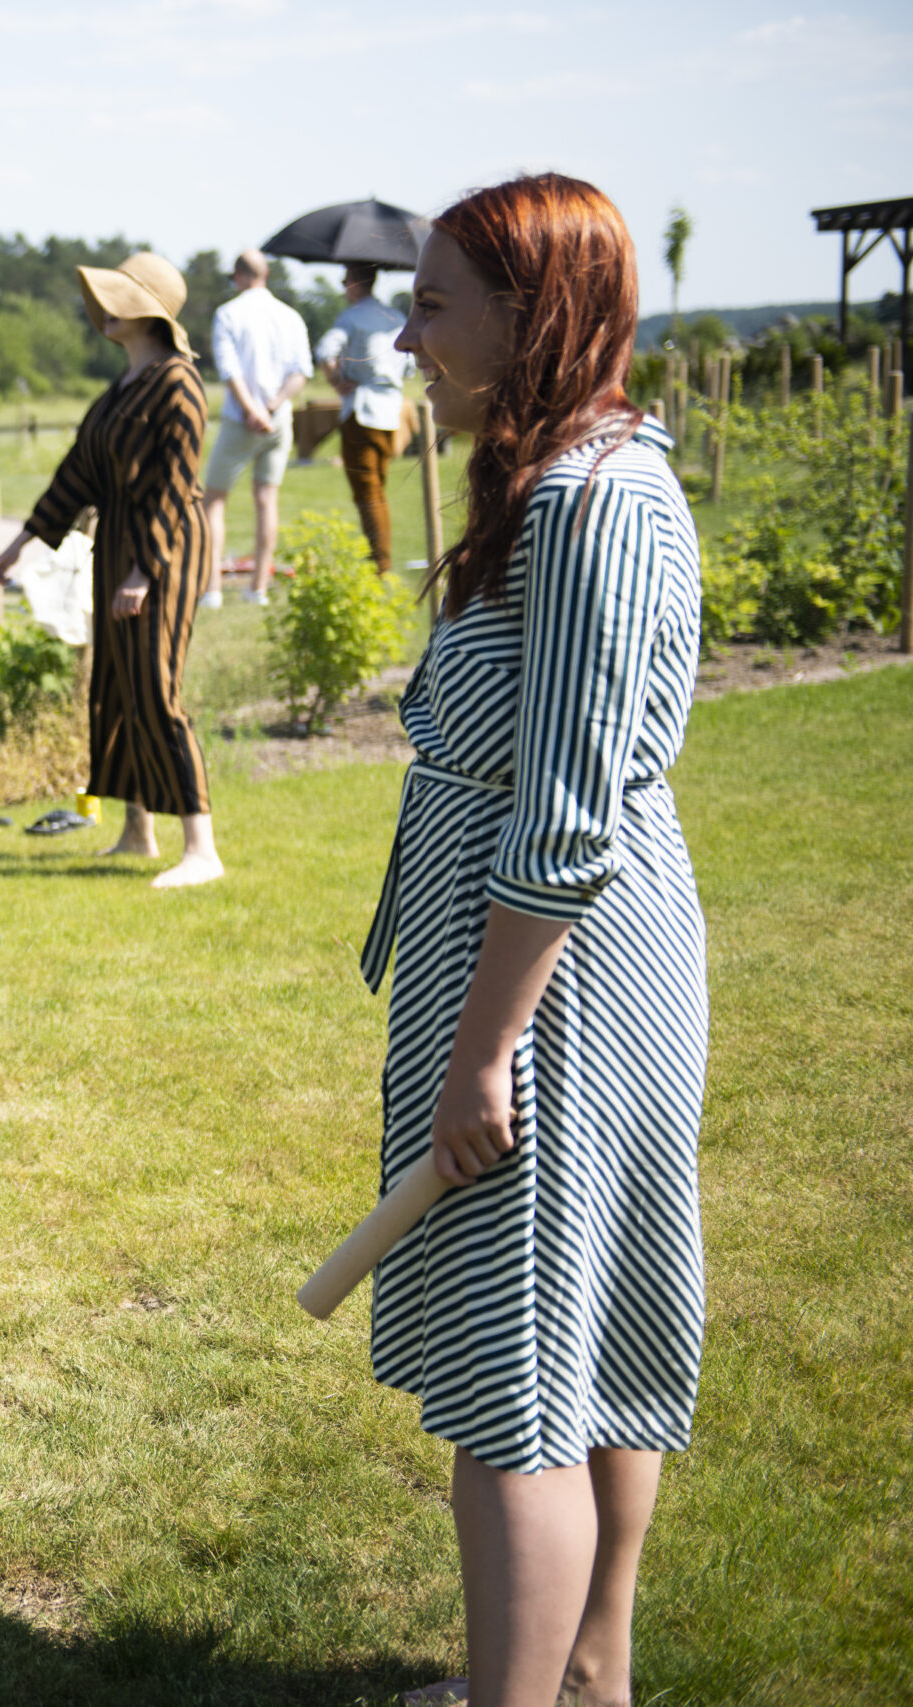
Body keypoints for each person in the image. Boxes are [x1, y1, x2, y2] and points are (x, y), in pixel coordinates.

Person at [361, 174, 705, 1707]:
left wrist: (485, 1044)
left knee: (520, 1373)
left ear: (529, 315)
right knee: (581, 1329)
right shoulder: (565, 476)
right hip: (548, 956)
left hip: (551, 979)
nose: (407, 332)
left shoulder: (588, 501)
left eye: (436, 302)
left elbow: (565, 815)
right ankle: (584, 1679)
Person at [0, 252, 219, 889]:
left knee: (155, 683)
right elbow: (76, 477)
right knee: (114, 687)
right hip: (114, 541)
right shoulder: (118, 391)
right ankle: (137, 832)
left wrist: (145, 570)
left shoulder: (179, 382)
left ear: (147, 311)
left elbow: (176, 484)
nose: (104, 308)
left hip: (163, 546)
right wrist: (20, 546)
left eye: (118, 297)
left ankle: (201, 847)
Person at [201, 248, 312, 608]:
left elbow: (229, 370)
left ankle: (212, 590)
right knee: (267, 500)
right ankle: (258, 590)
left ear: (238, 277)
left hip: (241, 420)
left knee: (213, 501)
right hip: (278, 419)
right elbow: (301, 372)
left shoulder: (228, 313)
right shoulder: (290, 316)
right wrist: (272, 406)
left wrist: (253, 411)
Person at [316, 260, 413, 568]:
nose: (344, 286)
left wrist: (336, 380)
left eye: (346, 280)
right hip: (391, 410)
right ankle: (378, 556)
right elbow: (408, 365)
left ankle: (379, 562)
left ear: (356, 282)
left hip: (362, 408)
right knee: (378, 488)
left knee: (368, 493)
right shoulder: (396, 316)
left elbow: (323, 351)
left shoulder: (352, 316)